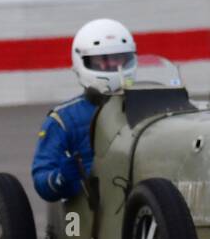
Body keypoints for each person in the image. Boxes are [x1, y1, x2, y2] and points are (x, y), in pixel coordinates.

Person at [31, 18, 140, 202]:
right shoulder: (63, 119)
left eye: (119, 59)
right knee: (74, 226)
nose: (113, 66)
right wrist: (61, 178)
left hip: (142, 203)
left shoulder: (151, 106)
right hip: (81, 214)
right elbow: (42, 177)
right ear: (83, 62)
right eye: (103, 61)